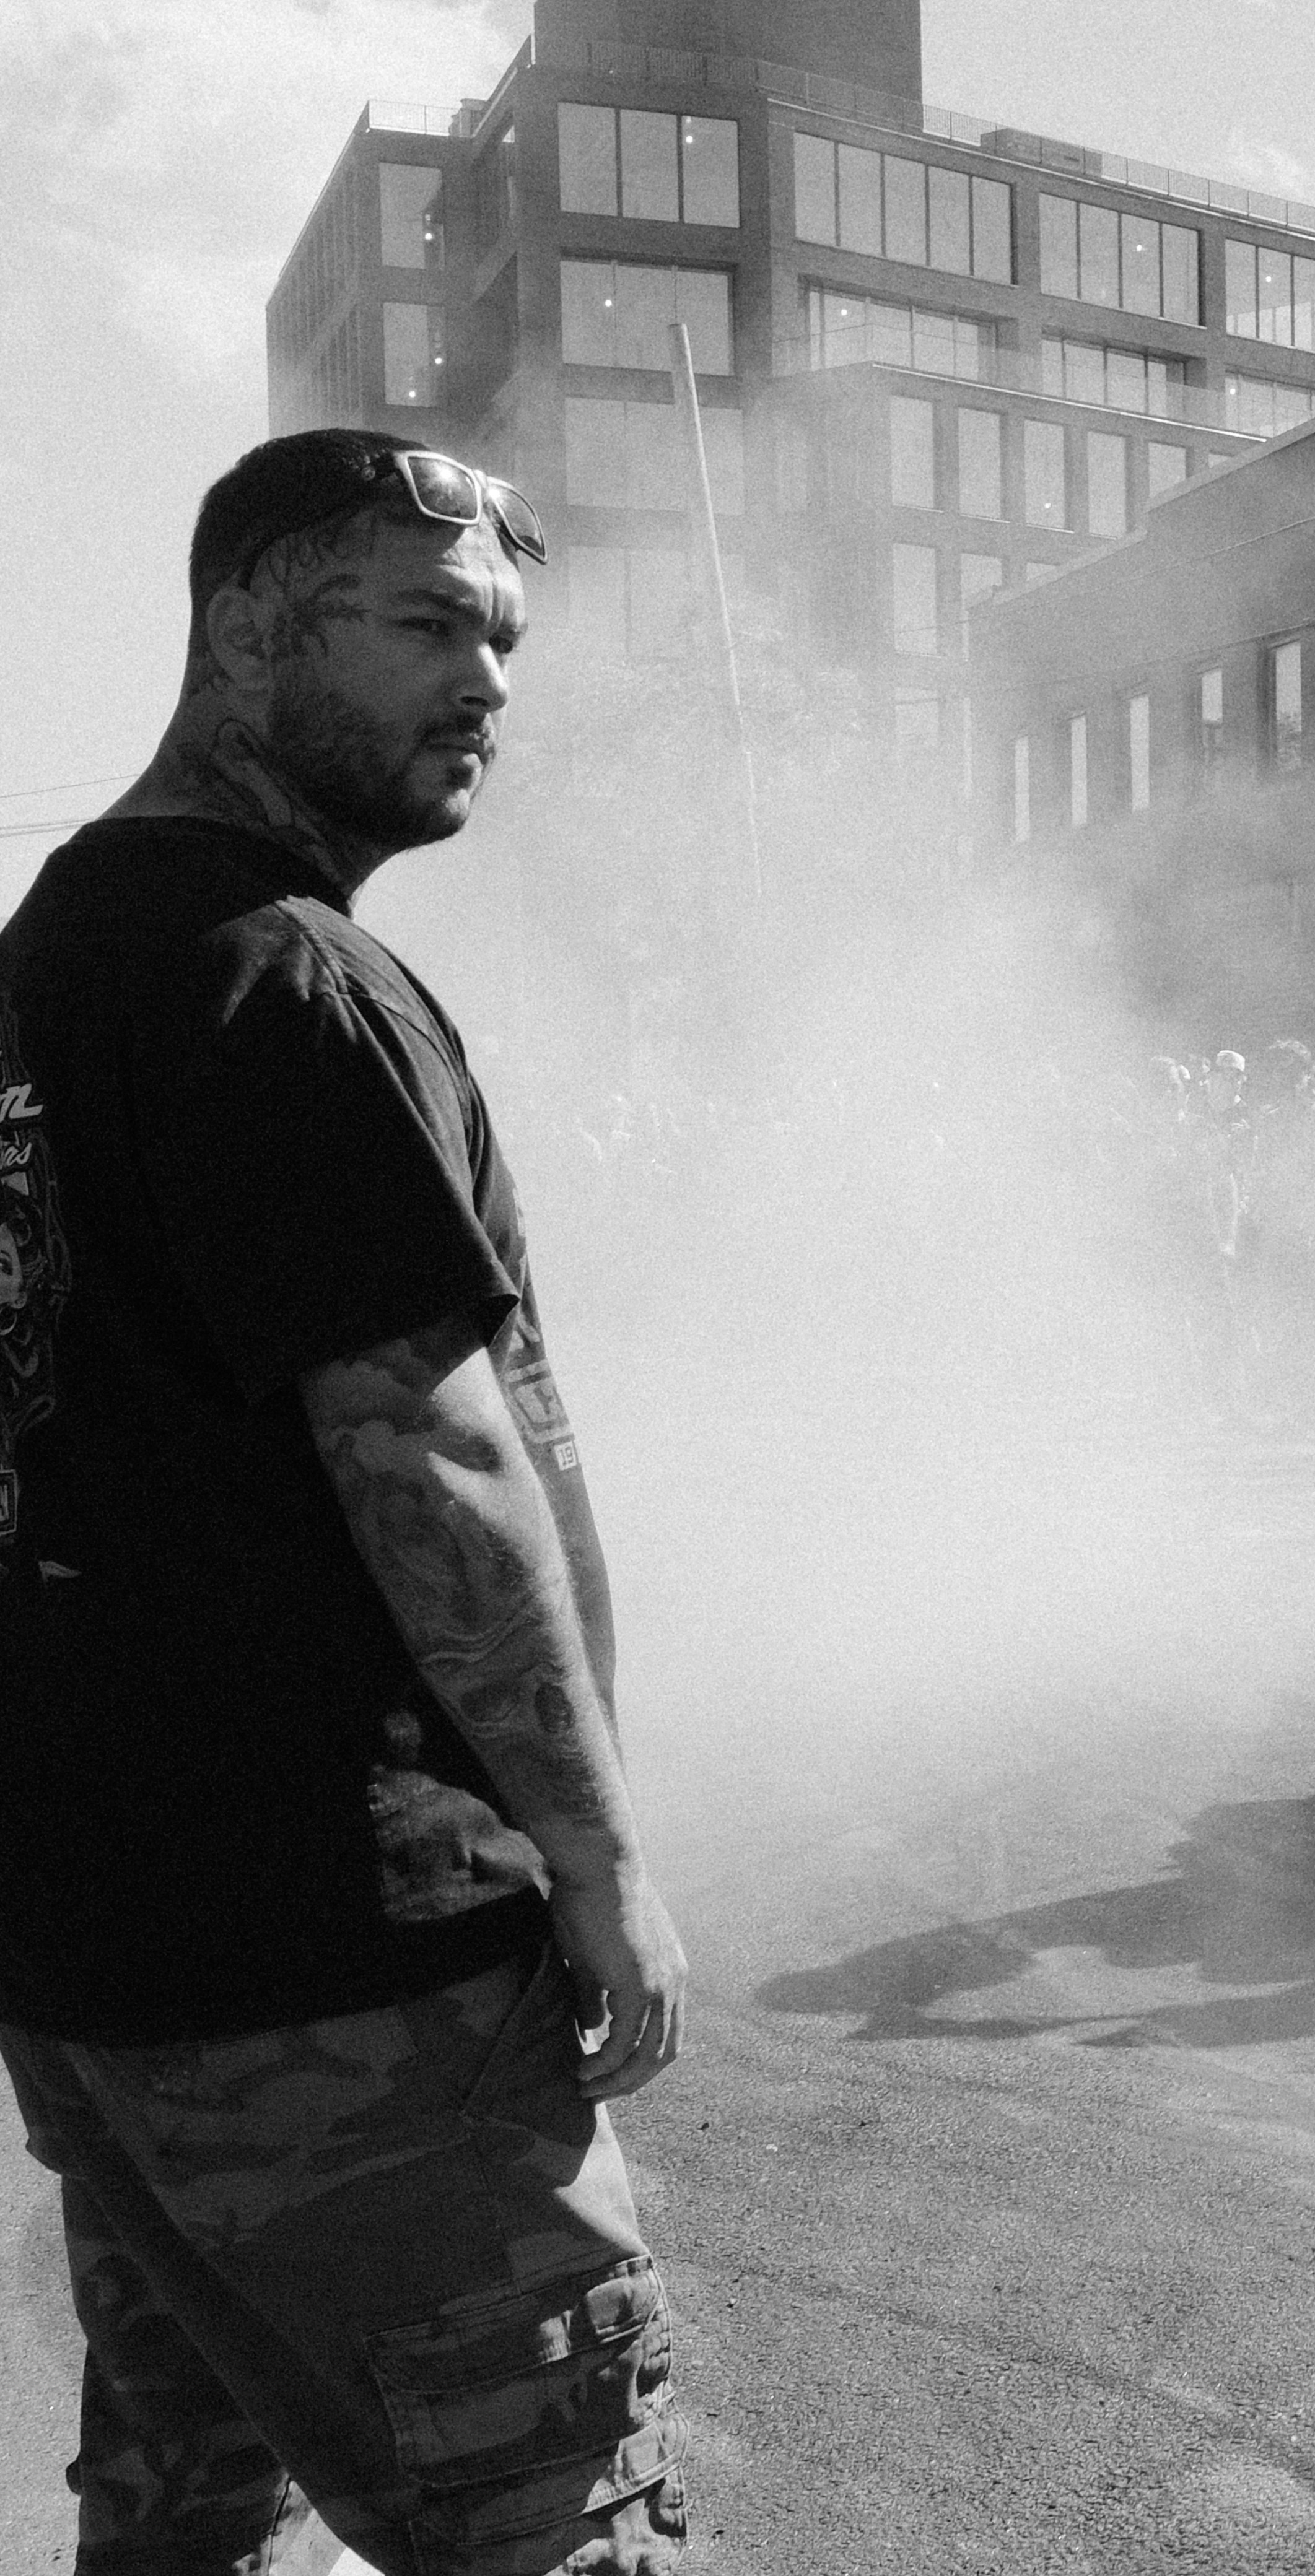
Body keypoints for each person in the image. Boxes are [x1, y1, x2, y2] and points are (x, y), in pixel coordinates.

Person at [0, 430, 689, 2568]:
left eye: (499, 638)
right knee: (550, 2519)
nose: (485, 684)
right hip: (336, 1963)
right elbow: (431, 1451)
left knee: (183, 2508)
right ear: (243, 625)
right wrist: (593, 1857)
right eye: (423, 627)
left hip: (100, 1950)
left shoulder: (47, 955)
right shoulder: (281, 974)